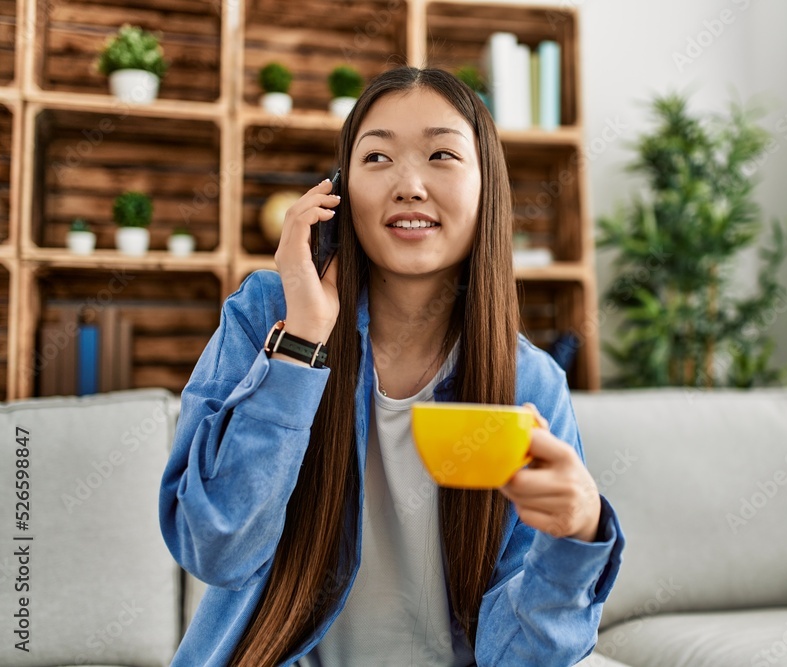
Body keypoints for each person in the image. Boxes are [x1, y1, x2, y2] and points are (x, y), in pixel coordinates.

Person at [159, 66, 624, 667]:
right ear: (338, 191)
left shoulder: (528, 384)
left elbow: (524, 658)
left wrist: (578, 537)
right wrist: (301, 344)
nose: (408, 184)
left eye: (441, 155)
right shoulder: (266, 317)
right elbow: (214, 548)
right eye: (377, 158)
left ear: (488, 188)